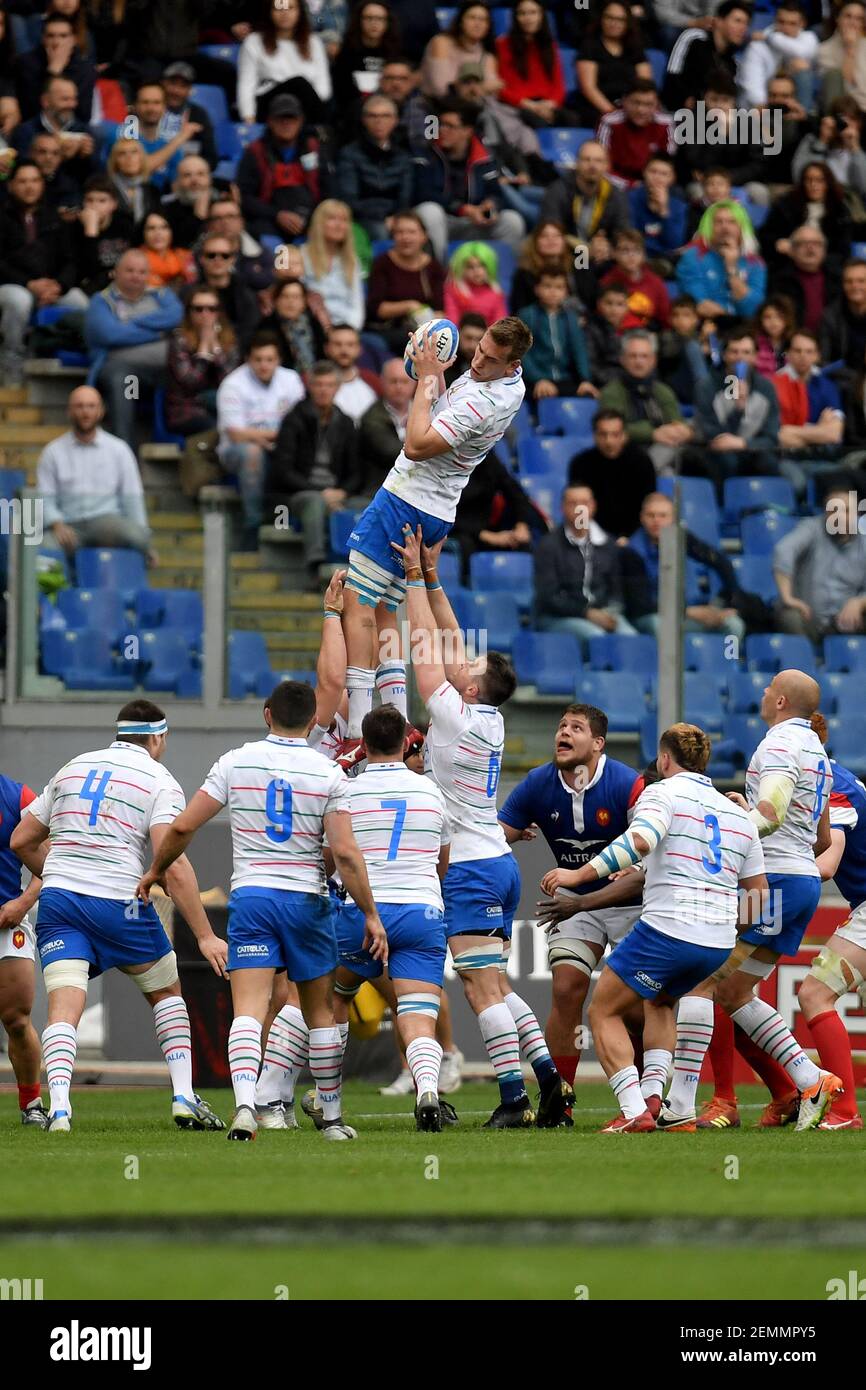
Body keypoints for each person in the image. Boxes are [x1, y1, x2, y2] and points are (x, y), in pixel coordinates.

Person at [134, 681, 383, 1142]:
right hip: (307, 901)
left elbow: (185, 825)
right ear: (312, 722)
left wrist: (154, 871)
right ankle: (330, 1120)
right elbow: (345, 854)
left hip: (252, 899)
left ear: (267, 715)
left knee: (248, 1010)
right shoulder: (329, 774)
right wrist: (369, 913)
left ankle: (247, 1107)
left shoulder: (234, 761)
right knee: (320, 1013)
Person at [391, 526, 573, 1129]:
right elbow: (446, 636)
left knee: (479, 993)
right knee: (495, 983)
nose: (456, 657)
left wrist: (413, 578)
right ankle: (551, 1083)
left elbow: (424, 648)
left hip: (468, 866)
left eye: (465, 664)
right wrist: (435, 578)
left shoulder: (454, 713)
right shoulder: (486, 716)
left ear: (469, 687)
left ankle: (514, 1100)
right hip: (496, 861)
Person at [10, 700, 228, 1134]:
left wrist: (61, 871)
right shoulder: (158, 778)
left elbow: (21, 839)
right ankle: (184, 1095)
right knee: (167, 991)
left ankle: (60, 1110)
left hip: (60, 902)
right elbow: (176, 864)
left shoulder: (75, 766)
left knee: (63, 1008)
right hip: (120, 902)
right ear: (158, 738)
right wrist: (204, 935)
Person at [536, 722, 761, 1132]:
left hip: (668, 929)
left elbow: (638, 842)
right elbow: (758, 893)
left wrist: (578, 876)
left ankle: (633, 1109)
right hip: (717, 939)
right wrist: (729, 932)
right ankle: (663, 1099)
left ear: (663, 759)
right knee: (658, 1003)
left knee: (603, 1011)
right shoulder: (737, 812)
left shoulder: (661, 792)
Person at [341, 317, 530, 744]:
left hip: (408, 497)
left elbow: (416, 444)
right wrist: (435, 368)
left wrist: (426, 376)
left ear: (512, 363)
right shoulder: (512, 382)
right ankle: (396, 722)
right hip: (436, 506)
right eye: (479, 349)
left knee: (357, 602)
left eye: (490, 359)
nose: (478, 361)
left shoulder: (486, 403)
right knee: (387, 609)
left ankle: (356, 728)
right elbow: (444, 408)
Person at [696, 670, 840, 1133]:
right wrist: (748, 811)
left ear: (780, 701)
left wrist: (729, 821)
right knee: (734, 991)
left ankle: (698, 1101)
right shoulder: (818, 753)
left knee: (705, 979)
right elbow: (820, 837)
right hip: (802, 882)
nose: (760, 693)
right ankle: (811, 1080)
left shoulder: (778, 745)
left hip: (773, 880)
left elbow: (771, 815)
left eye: (766, 689)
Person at [500, 705, 644, 1095]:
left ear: (598, 744)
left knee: (633, 1006)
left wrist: (623, 873)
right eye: (561, 725)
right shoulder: (537, 784)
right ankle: (557, 1098)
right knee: (565, 989)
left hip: (631, 905)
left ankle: (648, 1097)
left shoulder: (627, 785)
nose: (563, 732)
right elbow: (499, 834)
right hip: (574, 901)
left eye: (576, 728)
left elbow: (645, 873)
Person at [330, 703, 451, 1131]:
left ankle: (319, 1104)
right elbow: (442, 861)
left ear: (363, 744)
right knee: (418, 1015)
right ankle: (428, 1089)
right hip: (420, 909)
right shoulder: (432, 792)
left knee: (334, 998)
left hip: (363, 914)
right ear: (406, 743)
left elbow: (335, 856)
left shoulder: (345, 790)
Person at [799, 742, 866, 1129]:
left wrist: (782, 876)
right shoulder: (836, 778)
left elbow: (829, 861)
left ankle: (844, 1111)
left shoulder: (834, 788)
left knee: (814, 994)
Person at [268, 360, 366, 581]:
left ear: (338, 388)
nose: (324, 390)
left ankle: (362, 564)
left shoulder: (346, 423)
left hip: (336, 492)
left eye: (329, 385)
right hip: (298, 493)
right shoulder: (294, 420)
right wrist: (321, 493)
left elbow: (356, 472)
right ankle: (316, 564)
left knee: (367, 506)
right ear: (310, 387)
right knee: (314, 502)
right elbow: (283, 472)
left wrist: (342, 492)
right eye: (319, 384)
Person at [35, 385, 152, 558]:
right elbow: (44, 496)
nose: (85, 412)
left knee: (138, 536)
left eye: (91, 406)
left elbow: (132, 496)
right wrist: (56, 523)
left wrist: (144, 541)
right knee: (42, 548)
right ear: (69, 411)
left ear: (101, 411)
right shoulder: (53, 452)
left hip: (108, 524)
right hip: (68, 525)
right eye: (79, 406)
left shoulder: (119, 450)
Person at [84, 248, 182, 449]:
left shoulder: (161, 295)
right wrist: (158, 334)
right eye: (130, 270)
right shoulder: (101, 301)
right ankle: (125, 448)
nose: (136, 276)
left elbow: (176, 315)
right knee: (126, 384)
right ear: (116, 272)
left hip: (164, 371)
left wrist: (131, 324)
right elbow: (111, 334)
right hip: (129, 376)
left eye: (142, 272)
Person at [216, 331, 305, 549]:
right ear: (248, 359)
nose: (264, 365)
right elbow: (236, 434)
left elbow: (301, 424)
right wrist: (274, 438)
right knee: (252, 453)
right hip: (236, 451)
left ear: (279, 360)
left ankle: (295, 522)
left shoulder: (291, 379)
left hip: (280, 446)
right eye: (258, 360)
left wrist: (275, 439)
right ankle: (253, 525)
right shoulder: (233, 384)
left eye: (269, 360)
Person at [0, 160, 87, 385]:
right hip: (12, 285)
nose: (29, 187)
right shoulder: (2, 216)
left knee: (80, 302)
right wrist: (29, 284)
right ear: (10, 185)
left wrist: (59, 285)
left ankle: (78, 371)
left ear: (42, 185)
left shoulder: (55, 217)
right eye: (22, 181)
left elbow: (71, 261)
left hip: (50, 286)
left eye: (35, 181)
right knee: (18, 301)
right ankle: (11, 370)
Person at [411, 97, 525, 262]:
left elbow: (496, 193)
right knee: (430, 211)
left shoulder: (484, 157)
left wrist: (490, 207)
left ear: (467, 131)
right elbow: (423, 193)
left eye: (450, 126)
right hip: (442, 222)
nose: (442, 130)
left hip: (473, 223)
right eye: (441, 124)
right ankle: (438, 275)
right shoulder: (426, 154)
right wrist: (463, 209)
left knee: (512, 221)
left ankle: (500, 281)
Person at [622, 491, 747, 640]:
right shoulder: (632, 551)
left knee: (733, 625)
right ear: (642, 518)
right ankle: (667, 664)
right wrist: (688, 611)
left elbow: (721, 562)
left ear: (673, 519)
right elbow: (640, 605)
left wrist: (727, 602)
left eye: (663, 515)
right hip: (654, 616)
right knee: (659, 625)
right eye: (651, 515)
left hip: (687, 614)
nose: (656, 521)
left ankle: (729, 660)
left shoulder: (683, 539)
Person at [0, 766, 48, 1126]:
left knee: (17, 1019)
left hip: (7, 921)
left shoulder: (18, 797)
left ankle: (31, 1104)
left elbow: (49, 860)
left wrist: (22, 903)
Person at [534, 484, 636, 642]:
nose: (579, 509)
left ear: (593, 506)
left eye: (584, 503)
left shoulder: (607, 544)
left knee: (630, 638)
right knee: (596, 637)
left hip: (602, 612)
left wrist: (611, 611)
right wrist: (586, 613)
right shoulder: (548, 546)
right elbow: (548, 596)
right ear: (562, 508)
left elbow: (616, 589)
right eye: (573, 503)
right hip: (556, 617)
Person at [772, 484, 866, 642]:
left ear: (858, 514)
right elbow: (783, 551)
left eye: (847, 511)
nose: (840, 517)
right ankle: (806, 663)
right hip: (808, 619)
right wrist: (787, 597)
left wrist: (859, 602)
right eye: (834, 511)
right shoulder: (812, 528)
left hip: (846, 622)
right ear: (825, 514)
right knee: (789, 615)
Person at [693, 326, 781, 492]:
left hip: (753, 450)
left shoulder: (766, 388)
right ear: (725, 355)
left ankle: (769, 510)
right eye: (734, 351)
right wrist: (738, 409)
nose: (740, 357)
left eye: (746, 352)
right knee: (727, 460)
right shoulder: (707, 386)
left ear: (755, 357)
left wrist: (743, 443)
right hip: (718, 455)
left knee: (768, 462)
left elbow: (771, 437)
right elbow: (710, 434)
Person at [598, 329, 694, 476]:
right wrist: (653, 433)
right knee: (666, 474)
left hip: (666, 449)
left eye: (644, 356)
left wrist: (682, 430)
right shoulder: (611, 392)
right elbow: (613, 430)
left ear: (653, 360)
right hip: (627, 452)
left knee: (675, 446)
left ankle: (643, 473)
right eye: (633, 356)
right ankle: (644, 473)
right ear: (622, 359)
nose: (639, 361)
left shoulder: (663, 391)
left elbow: (676, 423)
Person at [236, 94, 322, 244]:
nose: (286, 124)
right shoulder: (255, 152)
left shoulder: (315, 149)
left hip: (310, 219)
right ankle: (278, 265)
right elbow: (243, 196)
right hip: (269, 221)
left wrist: (312, 217)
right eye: (280, 119)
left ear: (301, 121)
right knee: (273, 249)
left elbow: (329, 190)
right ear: (270, 121)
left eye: (291, 119)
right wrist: (277, 214)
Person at [539, 141, 631, 274]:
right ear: (577, 163)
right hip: (567, 254)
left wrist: (607, 247)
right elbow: (551, 230)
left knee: (625, 260)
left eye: (598, 161)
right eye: (586, 160)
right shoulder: (557, 190)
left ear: (607, 166)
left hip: (602, 258)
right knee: (580, 266)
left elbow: (623, 232)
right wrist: (585, 248)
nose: (592, 166)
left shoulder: (616, 195)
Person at [333, 94, 414, 244]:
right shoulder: (349, 154)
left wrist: (397, 218)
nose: (379, 121)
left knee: (416, 231)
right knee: (380, 231)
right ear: (364, 120)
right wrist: (383, 217)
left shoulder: (403, 156)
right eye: (372, 116)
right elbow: (349, 199)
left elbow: (405, 196)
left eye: (385, 116)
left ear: (395, 121)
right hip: (363, 217)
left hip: (396, 216)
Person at [237, 0, 332, 125]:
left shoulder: (314, 42)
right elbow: (246, 85)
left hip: (305, 104)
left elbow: (323, 88)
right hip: (268, 102)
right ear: (269, 12)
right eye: (278, 8)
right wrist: (248, 117)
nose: (284, 13)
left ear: (300, 12)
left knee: (303, 87)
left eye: (290, 8)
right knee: (299, 83)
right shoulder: (253, 42)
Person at [365, 208, 446, 354]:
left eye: (411, 232)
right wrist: (409, 306)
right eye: (400, 232)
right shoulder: (382, 264)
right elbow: (376, 309)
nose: (405, 237)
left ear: (424, 236)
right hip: (389, 328)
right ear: (393, 236)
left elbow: (440, 309)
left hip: (425, 328)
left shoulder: (433, 267)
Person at [567, 408, 656, 540]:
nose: (609, 441)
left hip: (634, 538)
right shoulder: (581, 464)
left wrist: (629, 537)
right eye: (603, 434)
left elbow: (648, 505)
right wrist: (588, 537)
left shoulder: (641, 462)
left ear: (624, 435)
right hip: (593, 538)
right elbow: (579, 507)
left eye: (615, 434)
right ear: (595, 435)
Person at [104, 83, 203, 195]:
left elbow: (176, 185)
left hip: (157, 205)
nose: (151, 108)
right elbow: (137, 170)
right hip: (121, 202)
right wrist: (178, 140)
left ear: (165, 107)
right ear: (135, 106)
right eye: (145, 102)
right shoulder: (120, 135)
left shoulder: (168, 144)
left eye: (156, 103)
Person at [166, 289, 240, 437]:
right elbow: (190, 383)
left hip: (226, 406)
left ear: (219, 312)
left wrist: (217, 350)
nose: (205, 314)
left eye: (211, 309)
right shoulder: (179, 341)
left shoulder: (229, 340)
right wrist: (204, 351)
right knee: (223, 432)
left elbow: (233, 382)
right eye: (198, 309)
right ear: (190, 312)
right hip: (187, 410)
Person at [677, 201, 767, 323]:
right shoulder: (693, 257)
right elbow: (700, 304)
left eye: (732, 222)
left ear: (742, 228)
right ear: (709, 227)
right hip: (705, 325)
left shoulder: (755, 263)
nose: (725, 227)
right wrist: (730, 323)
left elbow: (752, 308)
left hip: (744, 329)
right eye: (718, 222)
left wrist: (731, 268)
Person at [450, 447, 538, 571]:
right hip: (456, 530)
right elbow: (445, 512)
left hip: (486, 527)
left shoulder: (486, 457)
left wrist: (521, 524)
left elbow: (515, 492)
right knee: (466, 544)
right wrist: (487, 536)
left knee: (521, 543)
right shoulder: (446, 459)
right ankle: (468, 586)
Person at [760, 163, 854, 277]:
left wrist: (818, 259)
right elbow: (766, 235)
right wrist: (777, 243)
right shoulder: (786, 206)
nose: (813, 185)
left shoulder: (840, 211)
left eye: (820, 180)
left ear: (828, 183)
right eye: (809, 180)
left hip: (827, 268)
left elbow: (843, 250)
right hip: (788, 264)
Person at [572, 0, 651, 127]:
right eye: (609, 17)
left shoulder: (635, 48)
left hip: (632, 108)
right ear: (601, 19)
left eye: (620, 19)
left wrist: (635, 111)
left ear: (627, 23)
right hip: (597, 108)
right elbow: (589, 88)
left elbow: (645, 86)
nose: (614, 23)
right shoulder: (589, 46)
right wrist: (613, 114)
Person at [520, 270, 596, 402]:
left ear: (566, 292)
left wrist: (585, 379)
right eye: (548, 286)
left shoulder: (570, 318)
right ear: (537, 289)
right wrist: (538, 379)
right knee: (541, 396)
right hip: (535, 379)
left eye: (559, 287)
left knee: (587, 395)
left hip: (565, 378)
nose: (553, 292)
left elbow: (579, 350)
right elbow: (521, 352)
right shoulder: (527, 315)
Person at [663, 0, 751, 113]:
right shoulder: (693, 38)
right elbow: (673, 73)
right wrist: (686, 98)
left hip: (712, 119)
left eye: (746, 23)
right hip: (678, 112)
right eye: (738, 21)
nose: (743, 28)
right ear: (718, 21)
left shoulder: (732, 63)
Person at [495, 0, 571, 128]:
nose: (528, 18)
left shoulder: (550, 46)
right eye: (522, 13)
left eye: (533, 13)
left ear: (541, 16)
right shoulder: (502, 45)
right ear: (515, 17)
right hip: (519, 105)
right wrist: (529, 105)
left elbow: (559, 85)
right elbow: (501, 88)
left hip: (547, 104)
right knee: (538, 122)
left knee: (572, 120)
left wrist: (550, 104)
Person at [11, 74, 95, 188]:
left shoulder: (83, 131)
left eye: (74, 99)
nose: (72, 105)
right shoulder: (25, 132)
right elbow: (22, 175)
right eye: (65, 99)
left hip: (72, 197)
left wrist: (87, 157)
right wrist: (60, 156)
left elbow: (91, 179)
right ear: (45, 101)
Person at [14, 13, 95, 122]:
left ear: (73, 40)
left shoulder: (85, 68)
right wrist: (52, 72)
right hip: (35, 129)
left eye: (63, 36)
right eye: (50, 36)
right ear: (43, 39)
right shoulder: (26, 63)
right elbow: (30, 111)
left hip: (73, 129)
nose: (56, 42)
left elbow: (83, 115)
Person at [739, 0, 819, 109]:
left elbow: (801, 51)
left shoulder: (808, 37)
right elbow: (753, 86)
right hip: (763, 106)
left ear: (802, 24)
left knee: (802, 70)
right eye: (781, 22)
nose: (786, 28)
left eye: (792, 23)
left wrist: (769, 37)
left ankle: (802, 117)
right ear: (774, 20)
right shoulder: (758, 46)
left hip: (794, 102)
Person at [597, 80, 675, 190]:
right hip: (617, 186)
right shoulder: (610, 122)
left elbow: (666, 167)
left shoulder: (666, 123)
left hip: (654, 185)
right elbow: (602, 167)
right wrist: (631, 185)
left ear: (657, 104)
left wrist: (649, 186)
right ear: (624, 101)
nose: (641, 110)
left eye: (648, 104)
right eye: (636, 103)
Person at [301, 200, 365, 334]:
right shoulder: (302, 255)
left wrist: (349, 330)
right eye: (332, 219)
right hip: (313, 327)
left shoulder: (352, 260)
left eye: (344, 220)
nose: (339, 225)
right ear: (319, 223)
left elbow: (357, 305)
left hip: (346, 330)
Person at [357, 358, 416, 497]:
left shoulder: (426, 412)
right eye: (393, 381)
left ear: (414, 383)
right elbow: (391, 452)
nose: (399, 387)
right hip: (380, 489)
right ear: (382, 382)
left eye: (404, 381)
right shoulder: (371, 418)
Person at [330, 0, 401, 110]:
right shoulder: (345, 54)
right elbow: (342, 93)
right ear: (359, 21)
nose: (374, 23)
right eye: (368, 18)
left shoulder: (396, 53)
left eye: (379, 19)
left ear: (388, 22)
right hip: (353, 111)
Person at [769, 226, 841, 335]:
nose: (810, 248)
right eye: (802, 243)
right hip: (793, 342)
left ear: (824, 250)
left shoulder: (838, 278)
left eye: (816, 243)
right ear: (791, 250)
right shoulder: (779, 280)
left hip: (831, 341)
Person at [420, 1, 499, 99]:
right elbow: (441, 88)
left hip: (470, 108)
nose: (477, 24)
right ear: (461, 22)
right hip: (433, 105)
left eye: (483, 20)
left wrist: (467, 88)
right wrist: (478, 88)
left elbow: (495, 89)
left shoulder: (487, 55)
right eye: (472, 18)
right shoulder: (442, 43)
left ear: (488, 26)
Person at [193, 232, 260, 347]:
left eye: (225, 255)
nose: (218, 260)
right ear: (201, 258)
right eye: (211, 255)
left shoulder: (246, 294)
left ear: (233, 259)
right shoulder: (189, 294)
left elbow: (250, 332)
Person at [71, 176, 134, 297]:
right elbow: (86, 272)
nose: (94, 206)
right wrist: (91, 232)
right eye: (90, 200)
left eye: (102, 201)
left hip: (123, 284)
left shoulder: (125, 225)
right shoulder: (74, 228)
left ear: (114, 204)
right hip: (91, 289)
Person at [628, 155, 688, 280]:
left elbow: (674, 244)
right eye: (653, 171)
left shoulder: (679, 206)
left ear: (672, 178)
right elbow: (631, 235)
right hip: (637, 256)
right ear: (644, 173)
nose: (657, 177)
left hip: (667, 259)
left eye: (664, 174)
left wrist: (664, 211)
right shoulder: (630, 199)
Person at [791, 98, 866, 198]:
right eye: (841, 120)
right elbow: (799, 178)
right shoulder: (811, 141)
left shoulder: (861, 147)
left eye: (851, 119)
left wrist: (855, 149)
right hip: (821, 200)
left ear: (859, 123)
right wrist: (822, 141)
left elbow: (864, 187)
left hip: (852, 204)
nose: (845, 125)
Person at [599, 228, 672, 330]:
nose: (631, 256)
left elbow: (665, 321)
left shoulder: (656, 283)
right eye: (625, 250)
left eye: (637, 250)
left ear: (643, 255)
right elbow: (600, 319)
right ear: (614, 253)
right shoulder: (607, 282)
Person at [258, 277, 326, 373]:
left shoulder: (314, 323)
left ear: (304, 301)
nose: (291, 302)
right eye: (285, 296)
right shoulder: (266, 327)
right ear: (276, 301)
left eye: (296, 297)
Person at [159, 61, 217, 171]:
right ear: (163, 83)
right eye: (173, 83)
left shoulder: (198, 115)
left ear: (190, 90)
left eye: (183, 86)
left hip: (185, 175)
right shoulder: (150, 110)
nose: (176, 91)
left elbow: (211, 159)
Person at [820, 257, 866, 386]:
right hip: (842, 381)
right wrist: (857, 380)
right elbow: (824, 361)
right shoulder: (830, 316)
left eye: (861, 281)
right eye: (849, 281)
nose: (854, 286)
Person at [443, 242, 509, 330]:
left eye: (481, 265)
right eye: (470, 267)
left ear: (489, 266)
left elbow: (500, 325)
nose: (476, 271)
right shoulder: (454, 290)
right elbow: (452, 322)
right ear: (461, 268)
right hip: (461, 339)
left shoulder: (496, 293)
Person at [325, 323, 381, 423]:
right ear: (327, 348)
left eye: (350, 344)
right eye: (338, 344)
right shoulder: (313, 382)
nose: (344, 350)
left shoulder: (373, 381)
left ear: (359, 349)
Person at [817, 0, 866, 112]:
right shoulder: (824, 49)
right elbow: (844, 87)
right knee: (834, 75)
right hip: (846, 110)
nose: (852, 22)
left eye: (859, 18)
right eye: (848, 16)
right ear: (837, 18)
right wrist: (850, 48)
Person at [160, 156, 213, 252]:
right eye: (187, 175)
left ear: (209, 179)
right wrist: (198, 217)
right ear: (178, 181)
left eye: (200, 174)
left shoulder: (221, 206)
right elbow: (177, 246)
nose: (195, 181)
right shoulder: (166, 211)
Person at [105, 139, 162, 225]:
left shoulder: (153, 190)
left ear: (141, 158)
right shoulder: (106, 189)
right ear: (115, 161)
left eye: (134, 152)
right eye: (122, 153)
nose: (129, 157)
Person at [137, 211, 195, 293]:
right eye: (151, 228)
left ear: (172, 231)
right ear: (143, 233)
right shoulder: (134, 259)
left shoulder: (185, 256)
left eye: (164, 227)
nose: (158, 233)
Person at [585, 284, 630, 388]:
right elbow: (591, 366)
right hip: (602, 385)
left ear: (627, 307)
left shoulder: (635, 331)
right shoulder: (590, 330)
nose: (614, 309)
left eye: (620, 304)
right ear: (599, 304)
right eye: (609, 303)